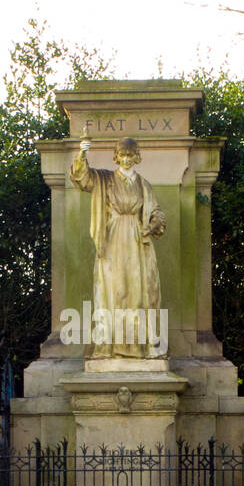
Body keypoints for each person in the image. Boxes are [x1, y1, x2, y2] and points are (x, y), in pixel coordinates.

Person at [69, 135, 167, 359]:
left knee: (140, 293)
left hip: (138, 243)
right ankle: (109, 347)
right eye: (122, 155)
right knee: (112, 291)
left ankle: (141, 347)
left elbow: (157, 213)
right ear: (116, 156)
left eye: (130, 155)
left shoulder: (144, 185)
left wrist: (152, 225)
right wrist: (82, 153)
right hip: (112, 240)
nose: (126, 160)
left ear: (137, 157)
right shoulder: (103, 179)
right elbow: (81, 178)